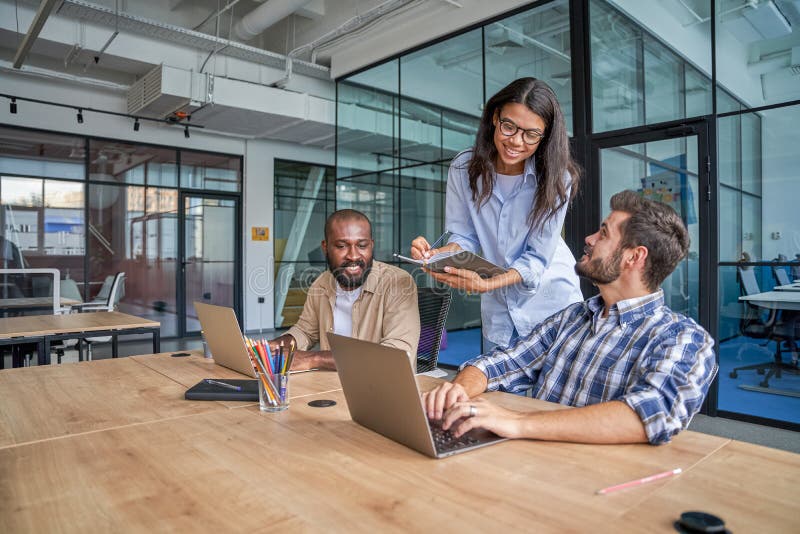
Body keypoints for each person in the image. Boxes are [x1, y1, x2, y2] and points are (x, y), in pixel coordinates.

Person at [422, 191, 717, 445]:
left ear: (634, 257)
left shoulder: (684, 338)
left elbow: (650, 413)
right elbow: (501, 363)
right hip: (531, 465)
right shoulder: (573, 318)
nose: (588, 239)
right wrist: (457, 392)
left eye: (603, 233)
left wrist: (517, 423)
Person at [409, 77, 583, 351]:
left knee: (549, 394)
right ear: (494, 117)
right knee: (496, 392)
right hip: (499, 313)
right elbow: (464, 236)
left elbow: (537, 258)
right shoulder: (463, 168)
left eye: (531, 134)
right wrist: (438, 255)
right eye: (509, 126)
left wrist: (487, 285)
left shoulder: (558, 178)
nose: (516, 141)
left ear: (545, 135)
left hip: (551, 304)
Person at [271, 209, 420, 371]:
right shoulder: (322, 283)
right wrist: (277, 345)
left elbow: (396, 356)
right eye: (342, 246)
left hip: (380, 389)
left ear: (372, 245)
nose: (354, 256)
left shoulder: (397, 283)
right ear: (325, 247)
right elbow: (306, 331)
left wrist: (315, 358)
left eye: (362, 245)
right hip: (330, 385)